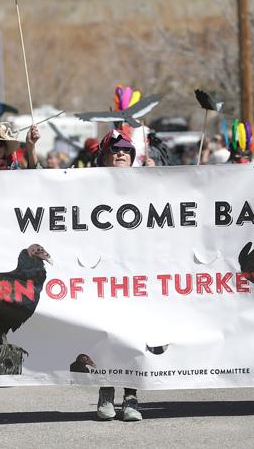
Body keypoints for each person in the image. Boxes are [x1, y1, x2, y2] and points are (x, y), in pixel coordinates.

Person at [93, 129, 152, 422]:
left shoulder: (147, 184)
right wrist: (31, 150)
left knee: (133, 334)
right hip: (101, 272)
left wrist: (161, 178)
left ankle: (131, 397)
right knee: (105, 333)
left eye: (127, 150)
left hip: (136, 272)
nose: (121, 154)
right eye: (115, 149)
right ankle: (106, 392)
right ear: (103, 155)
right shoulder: (86, 185)